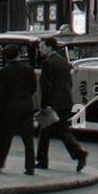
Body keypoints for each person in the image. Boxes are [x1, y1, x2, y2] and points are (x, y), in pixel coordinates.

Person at [35, 36, 89, 172]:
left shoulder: (47, 63)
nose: (39, 50)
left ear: (49, 47)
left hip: (53, 103)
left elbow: (46, 87)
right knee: (56, 130)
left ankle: (77, 152)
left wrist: (44, 105)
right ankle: (43, 160)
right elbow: (68, 83)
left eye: (41, 47)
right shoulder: (63, 61)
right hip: (65, 101)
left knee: (51, 131)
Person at [0, 45, 39, 175]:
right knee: (28, 139)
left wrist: (0, 108)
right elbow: (33, 87)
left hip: (10, 107)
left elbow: (1, 93)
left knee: (4, 138)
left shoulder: (5, 71)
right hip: (26, 105)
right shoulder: (28, 70)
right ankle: (30, 166)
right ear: (18, 54)